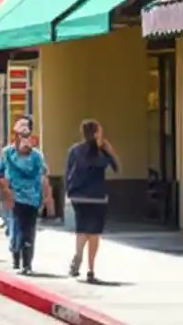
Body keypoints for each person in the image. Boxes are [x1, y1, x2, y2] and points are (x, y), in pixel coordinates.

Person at [0, 123, 51, 275]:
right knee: (16, 228)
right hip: (14, 196)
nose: (24, 139)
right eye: (21, 136)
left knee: (29, 230)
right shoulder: (7, 153)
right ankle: (16, 254)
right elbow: (0, 173)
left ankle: (27, 263)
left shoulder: (37, 156)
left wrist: (47, 197)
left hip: (32, 198)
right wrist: (6, 191)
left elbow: (43, 176)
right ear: (15, 136)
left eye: (27, 136)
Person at [66, 119, 116, 282]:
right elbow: (115, 167)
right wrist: (108, 149)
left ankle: (78, 253)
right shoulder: (99, 152)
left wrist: (69, 191)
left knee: (82, 229)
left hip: (78, 196)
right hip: (96, 197)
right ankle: (90, 269)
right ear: (96, 133)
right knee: (93, 233)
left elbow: (68, 172)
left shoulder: (74, 150)